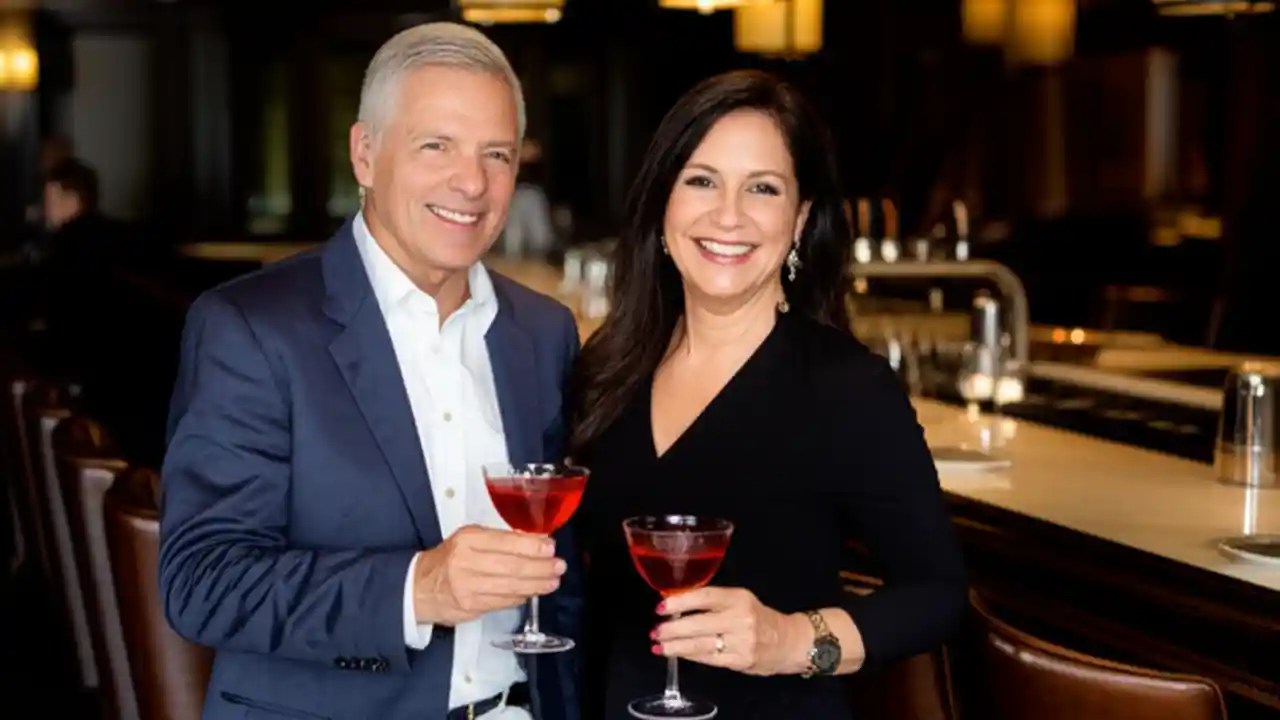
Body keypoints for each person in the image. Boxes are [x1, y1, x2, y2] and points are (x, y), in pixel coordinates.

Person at [159, 22, 582, 720]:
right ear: (365, 153)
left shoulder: (543, 331)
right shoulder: (250, 328)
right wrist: (417, 589)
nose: (471, 182)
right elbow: (202, 581)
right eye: (435, 145)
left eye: (496, 154)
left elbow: (563, 579)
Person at [569, 70, 967, 718]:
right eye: (701, 180)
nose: (728, 215)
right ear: (662, 202)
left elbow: (937, 594)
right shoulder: (607, 371)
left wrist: (788, 640)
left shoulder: (847, 388)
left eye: (762, 188)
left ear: (801, 219)